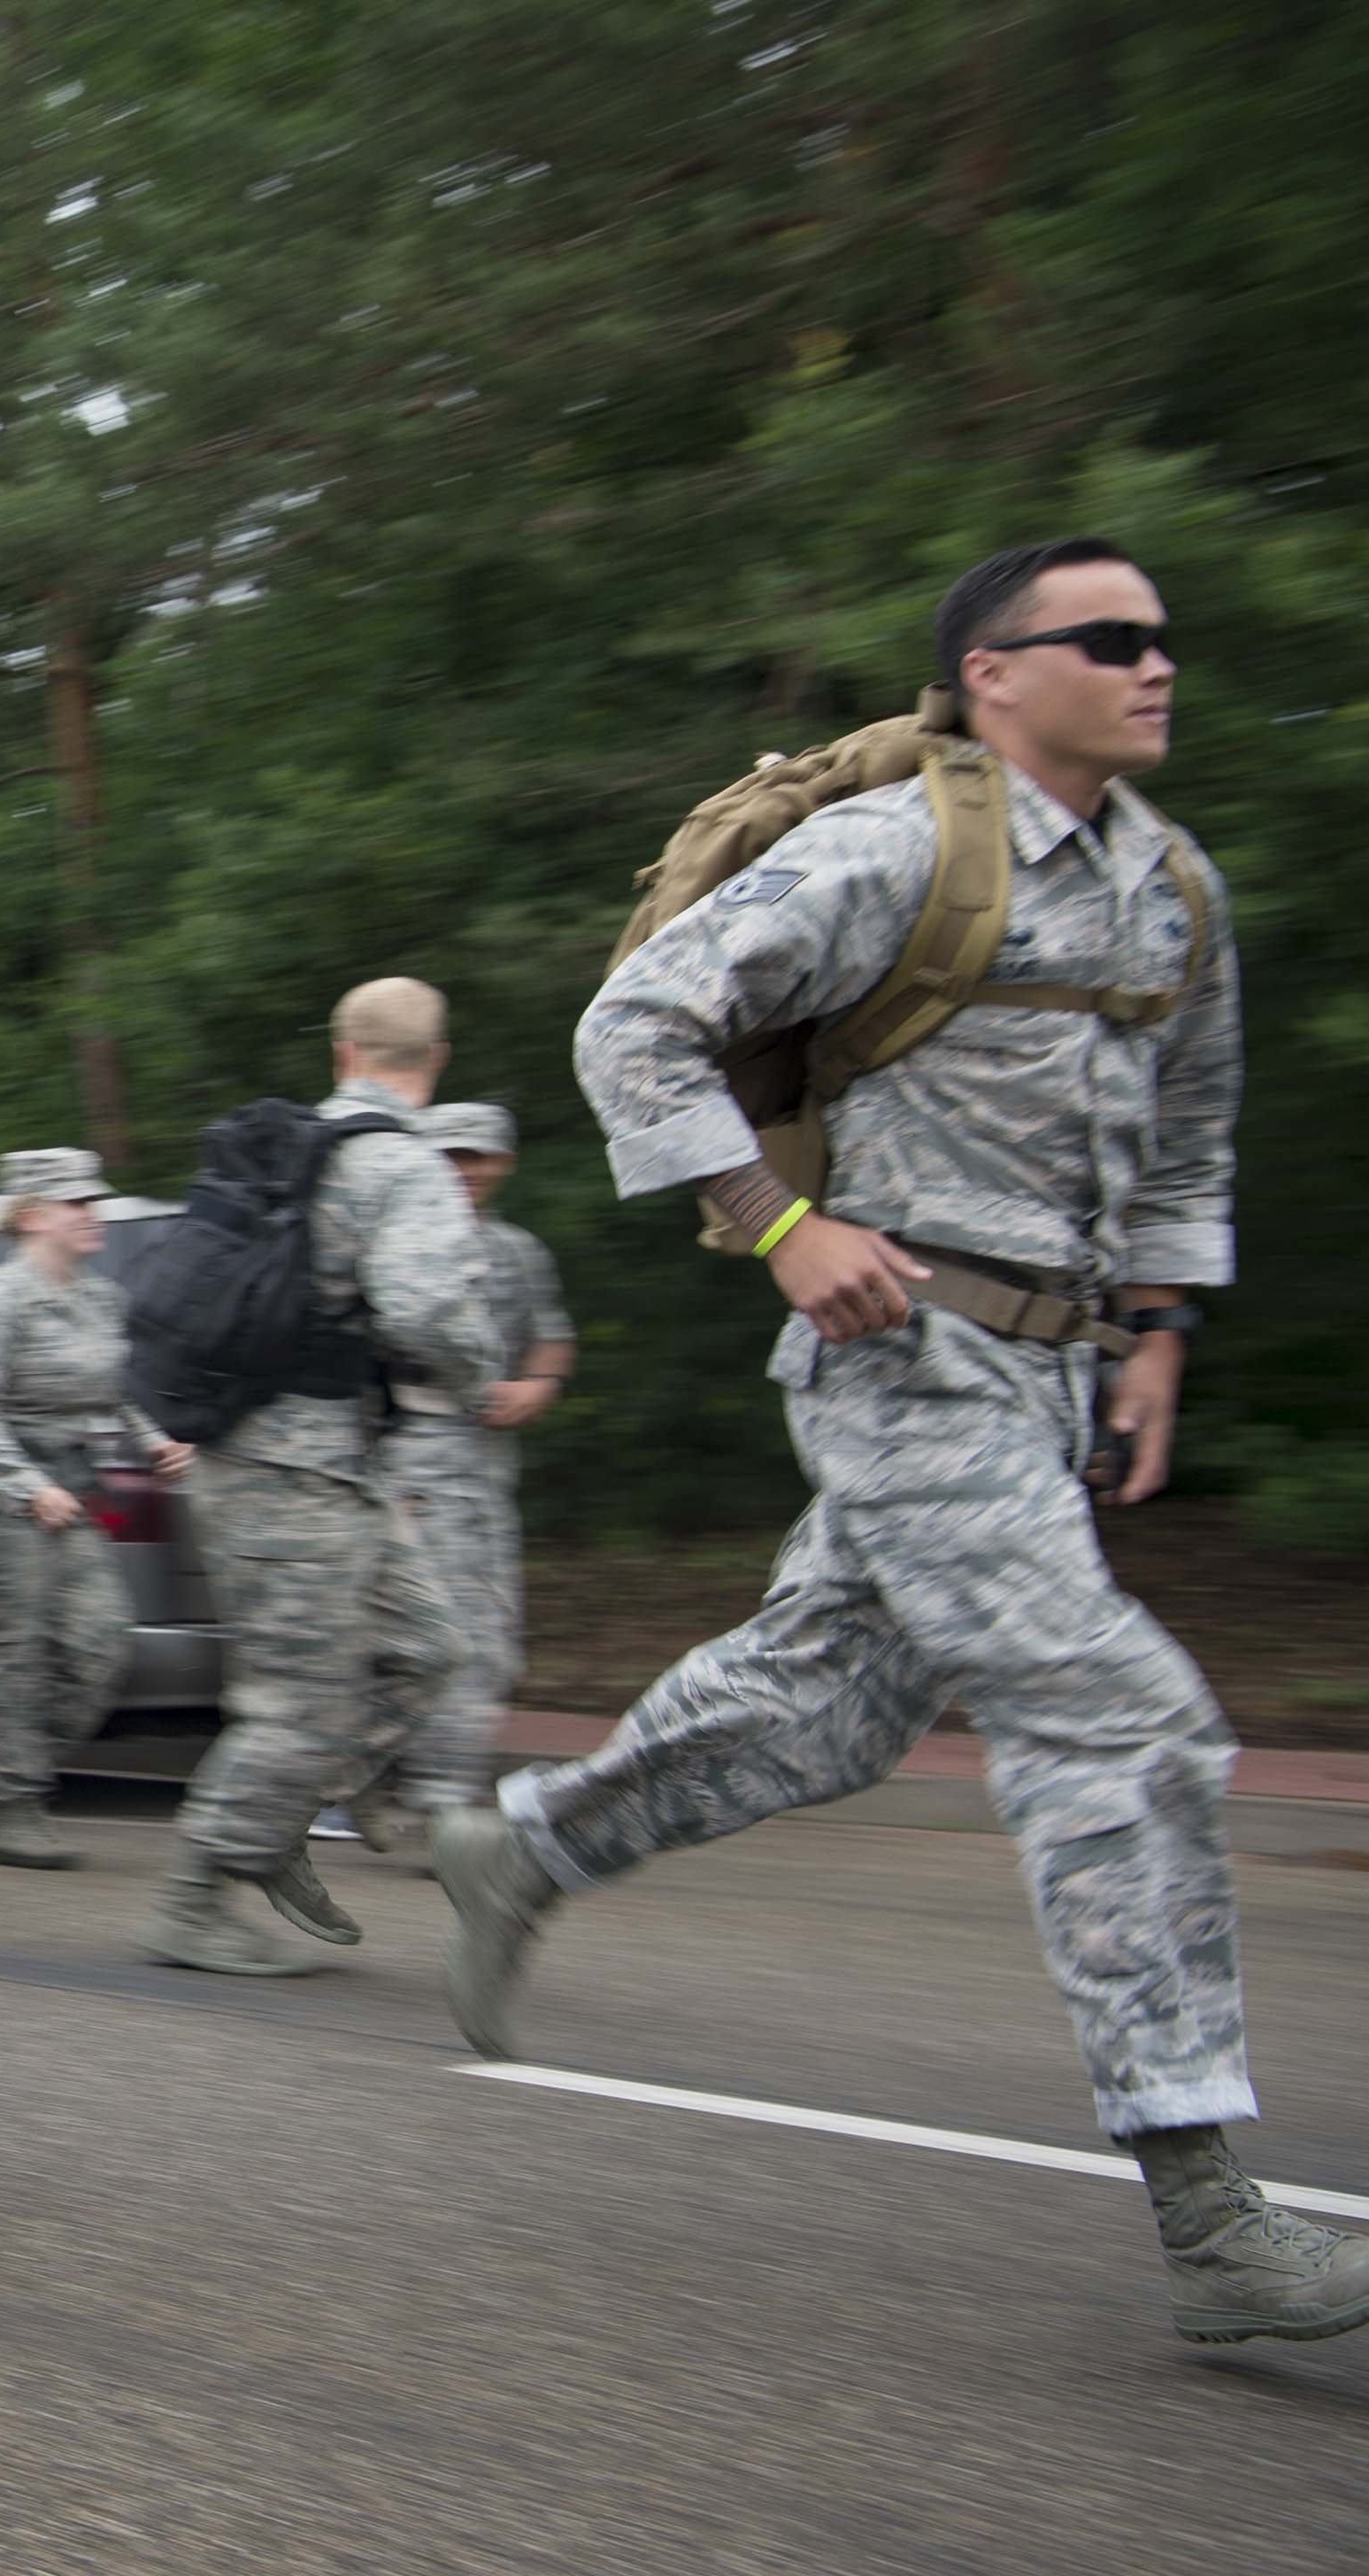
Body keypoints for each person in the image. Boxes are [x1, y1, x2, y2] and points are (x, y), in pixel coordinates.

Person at [444, 536, 1367, 2347]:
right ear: (995, 672)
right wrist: (781, 1230)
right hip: (903, 1357)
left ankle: (531, 1847)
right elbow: (636, 1029)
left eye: (1162, 638)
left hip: (1055, 1370)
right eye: (1111, 637)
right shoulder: (894, 849)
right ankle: (1210, 2216)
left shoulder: (1175, 885)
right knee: (1123, 1720)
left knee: (834, 1709)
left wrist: (1160, 1330)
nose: (1155, 662)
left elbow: (1189, 1128)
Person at [140, 977, 488, 1976]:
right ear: (436, 1059)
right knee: (296, 1702)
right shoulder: (401, 1166)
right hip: (287, 1476)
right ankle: (192, 1900)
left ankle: (274, 1817)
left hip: (322, 1475)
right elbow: (426, 1313)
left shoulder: (291, 1153)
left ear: (343, 1053)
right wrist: (476, 1376)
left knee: (425, 1649)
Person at [0, 1147, 191, 1870]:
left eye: (91, 1201)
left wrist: (155, 1441)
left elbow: (114, 1392)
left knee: (99, 1639)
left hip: (69, 1490)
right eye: (76, 1203)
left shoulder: (97, 1298)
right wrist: (26, 1486)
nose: (90, 1214)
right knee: (11, 1651)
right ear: (31, 1215)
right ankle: (11, 1801)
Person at [324, 1103, 566, 1856]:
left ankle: (366, 1778)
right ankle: (435, 1805)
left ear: (502, 1162)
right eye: (449, 1155)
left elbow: (550, 1338)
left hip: (484, 1469)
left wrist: (536, 1386)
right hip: (408, 1460)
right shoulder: (394, 1246)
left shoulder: (516, 1252)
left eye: (477, 1155)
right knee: (453, 1637)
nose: (464, 1170)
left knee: (483, 1637)